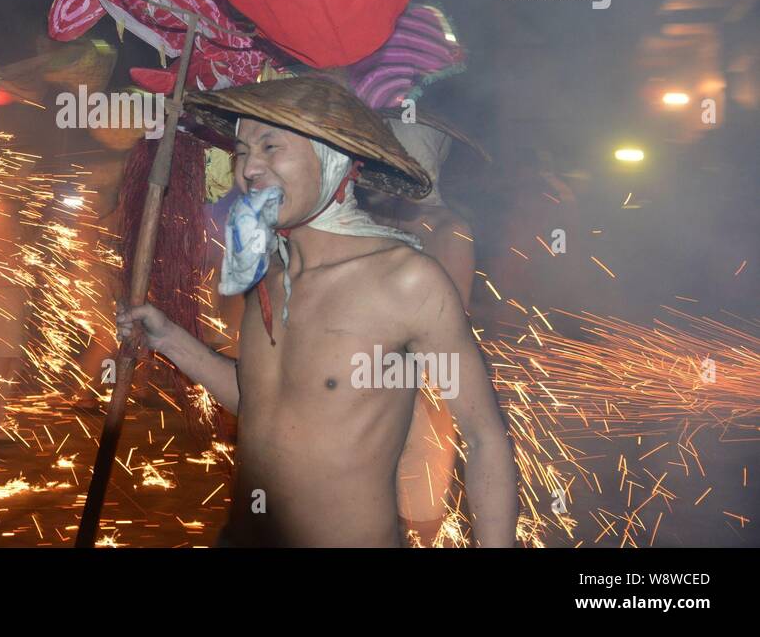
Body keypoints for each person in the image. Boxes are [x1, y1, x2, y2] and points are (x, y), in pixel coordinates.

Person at [117, 77, 518, 546]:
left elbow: (484, 436)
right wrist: (169, 339)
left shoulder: (405, 280)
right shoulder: (271, 276)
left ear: (334, 161)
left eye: (272, 146)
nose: (249, 169)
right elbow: (261, 404)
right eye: (243, 150)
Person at [371, 110, 483, 546]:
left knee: (418, 505)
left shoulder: (451, 230)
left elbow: (449, 326)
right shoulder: (373, 222)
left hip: (426, 386)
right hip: (373, 385)